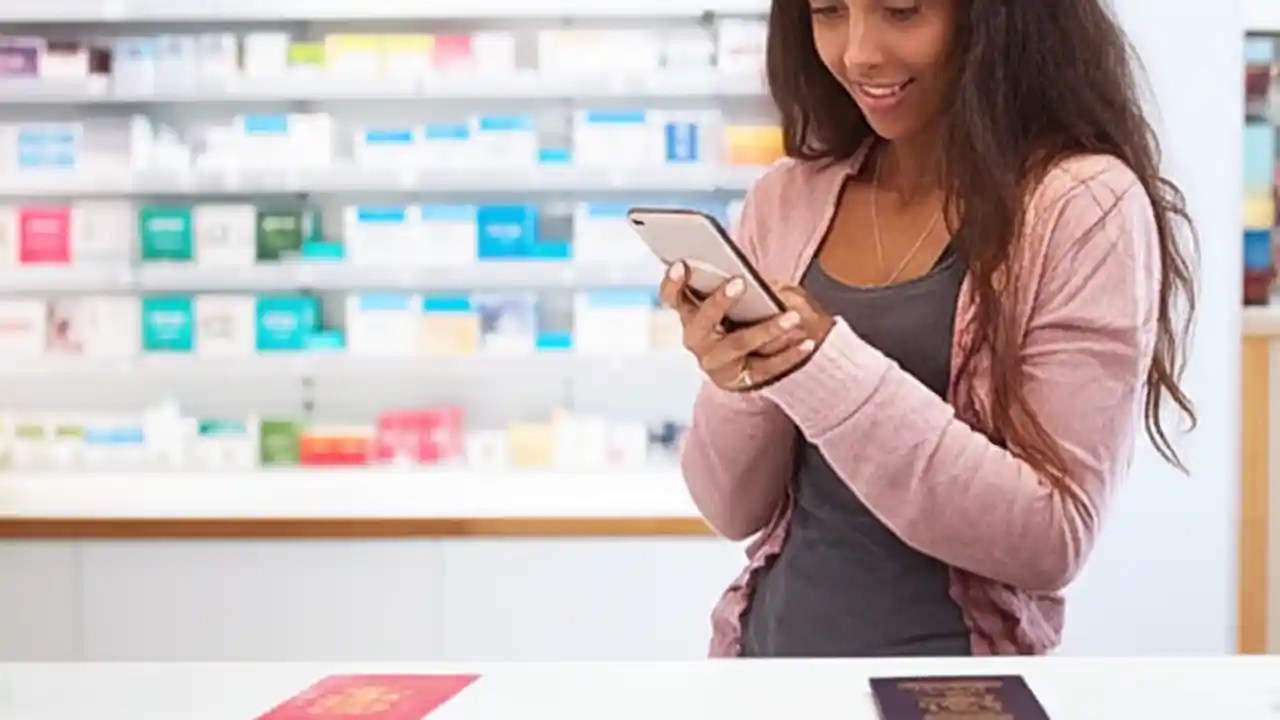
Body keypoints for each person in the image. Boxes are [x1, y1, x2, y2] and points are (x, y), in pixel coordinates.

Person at [658, 0, 1198, 657]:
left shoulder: (1082, 206)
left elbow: (1053, 538)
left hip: (956, 688)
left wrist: (820, 365)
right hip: (767, 668)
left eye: (902, 11)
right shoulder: (787, 197)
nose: (858, 53)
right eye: (828, 11)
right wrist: (742, 379)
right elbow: (731, 509)